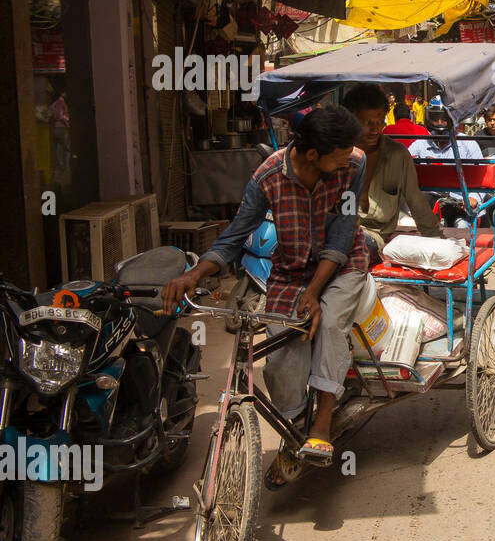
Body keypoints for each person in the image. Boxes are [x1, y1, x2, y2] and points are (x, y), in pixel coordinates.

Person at [160, 106, 370, 483]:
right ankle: (295, 431)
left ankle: (322, 423)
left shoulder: (354, 164)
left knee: (332, 321)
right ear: (312, 155)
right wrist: (194, 273)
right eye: (339, 155)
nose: (347, 160)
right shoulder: (268, 177)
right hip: (290, 270)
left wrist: (315, 292)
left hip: (343, 263)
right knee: (280, 358)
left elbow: (343, 231)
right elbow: (235, 236)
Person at [344, 83, 442, 261]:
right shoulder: (340, 153)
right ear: (351, 120)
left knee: (352, 248)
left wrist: (436, 239)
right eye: (367, 123)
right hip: (339, 230)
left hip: (372, 236)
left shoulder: (398, 155)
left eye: (380, 121)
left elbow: (415, 199)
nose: (374, 129)